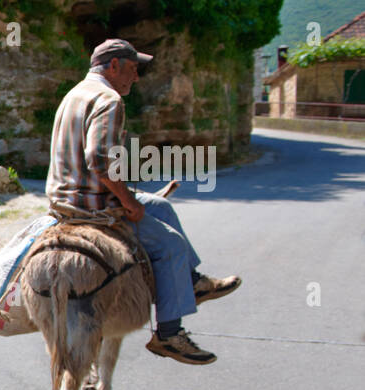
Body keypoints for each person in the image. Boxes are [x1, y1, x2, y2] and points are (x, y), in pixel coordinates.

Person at [46, 38, 241, 365]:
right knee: (170, 244)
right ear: (114, 66)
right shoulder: (108, 100)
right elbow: (100, 160)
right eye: (133, 69)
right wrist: (129, 202)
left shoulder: (74, 94)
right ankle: (169, 334)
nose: (136, 78)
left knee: (162, 206)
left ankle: (193, 282)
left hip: (63, 198)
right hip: (92, 207)